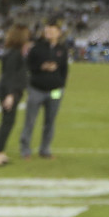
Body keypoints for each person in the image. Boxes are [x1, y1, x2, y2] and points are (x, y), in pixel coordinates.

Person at [20, 22, 69, 160]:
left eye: (52, 31)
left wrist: (61, 85)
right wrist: (41, 67)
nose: (49, 33)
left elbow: (64, 69)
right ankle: (25, 150)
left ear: (59, 33)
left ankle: (45, 149)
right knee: (30, 121)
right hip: (36, 89)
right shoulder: (37, 48)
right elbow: (28, 66)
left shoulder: (62, 49)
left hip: (55, 91)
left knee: (50, 121)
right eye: (47, 31)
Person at [0, 24, 30, 166]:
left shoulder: (14, 51)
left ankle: (0, 152)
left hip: (12, 90)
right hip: (10, 91)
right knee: (7, 122)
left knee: (9, 121)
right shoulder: (15, 53)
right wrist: (10, 94)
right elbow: (9, 76)